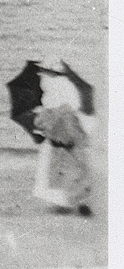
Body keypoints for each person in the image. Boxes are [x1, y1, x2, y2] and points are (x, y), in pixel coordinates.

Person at [32, 57, 95, 215]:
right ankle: (75, 203)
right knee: (73, 172)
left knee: (68, 172)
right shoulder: (60, 101)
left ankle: (71, 203)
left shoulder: (57, 102)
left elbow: (85, 92)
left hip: (68, 138)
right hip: (70, 138)